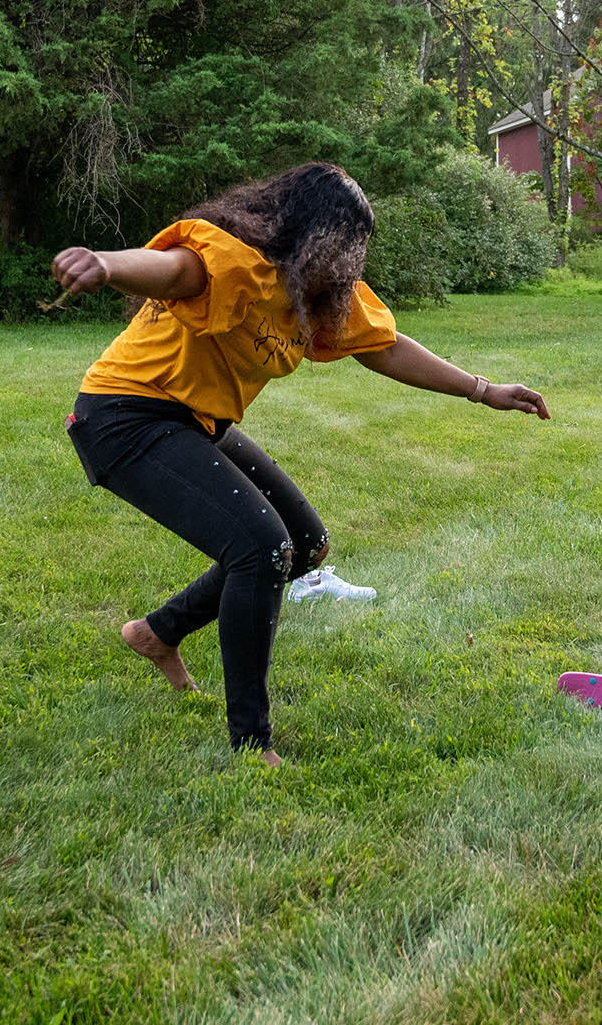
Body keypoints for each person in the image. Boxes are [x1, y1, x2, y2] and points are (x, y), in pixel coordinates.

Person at [54, 163, 550, 764]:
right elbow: (175, 270)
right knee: (260, 548)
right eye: (349, 244)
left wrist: (482, 389)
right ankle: (250, 743)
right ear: (314, 232)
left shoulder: (315, 294)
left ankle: (157, 632)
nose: (352, 261)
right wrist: (108, 263)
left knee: (304, 543)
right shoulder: (237, 262)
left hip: (196, 420)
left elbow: (386, 346)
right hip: (124, 417)